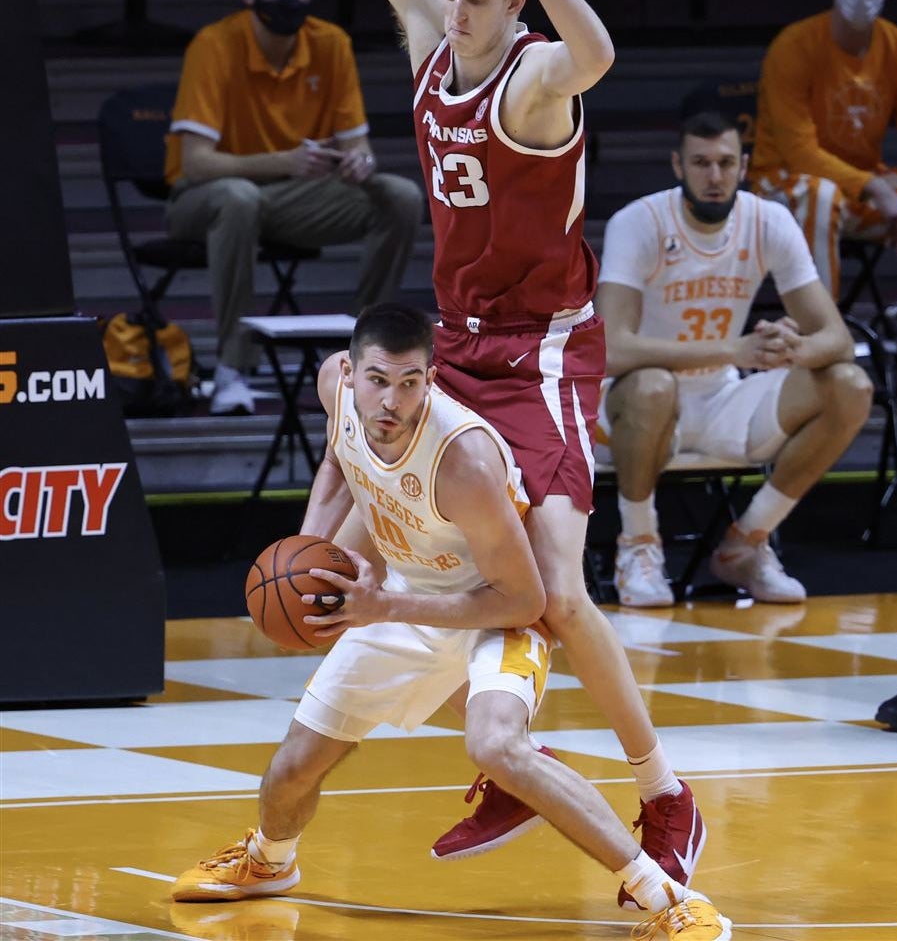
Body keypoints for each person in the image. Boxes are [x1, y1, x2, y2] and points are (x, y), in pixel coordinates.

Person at [252, 0, 708, 909]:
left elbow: (599, 50)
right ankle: (507, 752)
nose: (452, 13)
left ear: (511, 3)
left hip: (544, 344)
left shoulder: (535, 79)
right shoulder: (426, 34)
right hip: (454, 337)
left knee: (553, 587)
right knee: (423, 526)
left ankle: (663, 792)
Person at [173, 304, 732, 939]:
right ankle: (269, 862)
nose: (391, 400)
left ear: (431, 380)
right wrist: (305, 552)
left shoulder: (462, 459)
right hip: (409, 594)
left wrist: (386, 606)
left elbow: (524, 600)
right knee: (292, 767)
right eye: (378, 380)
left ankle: (666, 898)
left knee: (494, 744)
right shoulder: (337, 391)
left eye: (410, 383)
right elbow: (337, 460)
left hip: (494, 610)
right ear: (349, 373)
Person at [596, 111, 873, 608]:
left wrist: (787, 349)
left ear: (743, 166)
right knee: (653, 385)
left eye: (725, 162)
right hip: (637, 406)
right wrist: (736, 348)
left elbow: (836, 338)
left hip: (724, 397)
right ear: (678, 166)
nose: (715, 176)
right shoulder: (638, 222)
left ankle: (746, 544)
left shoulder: (768, 220)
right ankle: (637, 546)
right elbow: (612, 349)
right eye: (701, 163)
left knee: (850, 385)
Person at [164, 0, 423, 415]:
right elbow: (196, 163)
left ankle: (366, 354)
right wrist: (284, 161)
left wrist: (359, 161)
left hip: (293, 199)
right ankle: (231, 369)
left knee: (400, 195)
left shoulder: (330, 43)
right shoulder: (215, 45)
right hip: (202, 200)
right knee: (238, 198)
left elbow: (356, 141)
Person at [750, 0, 897, 297]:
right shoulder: (794, 46)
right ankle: (821, 337)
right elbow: (800, 153)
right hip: (781, 184)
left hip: (859, 187)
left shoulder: (894, 45)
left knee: (835, 192)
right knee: (822, 194)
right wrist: (877, 187)